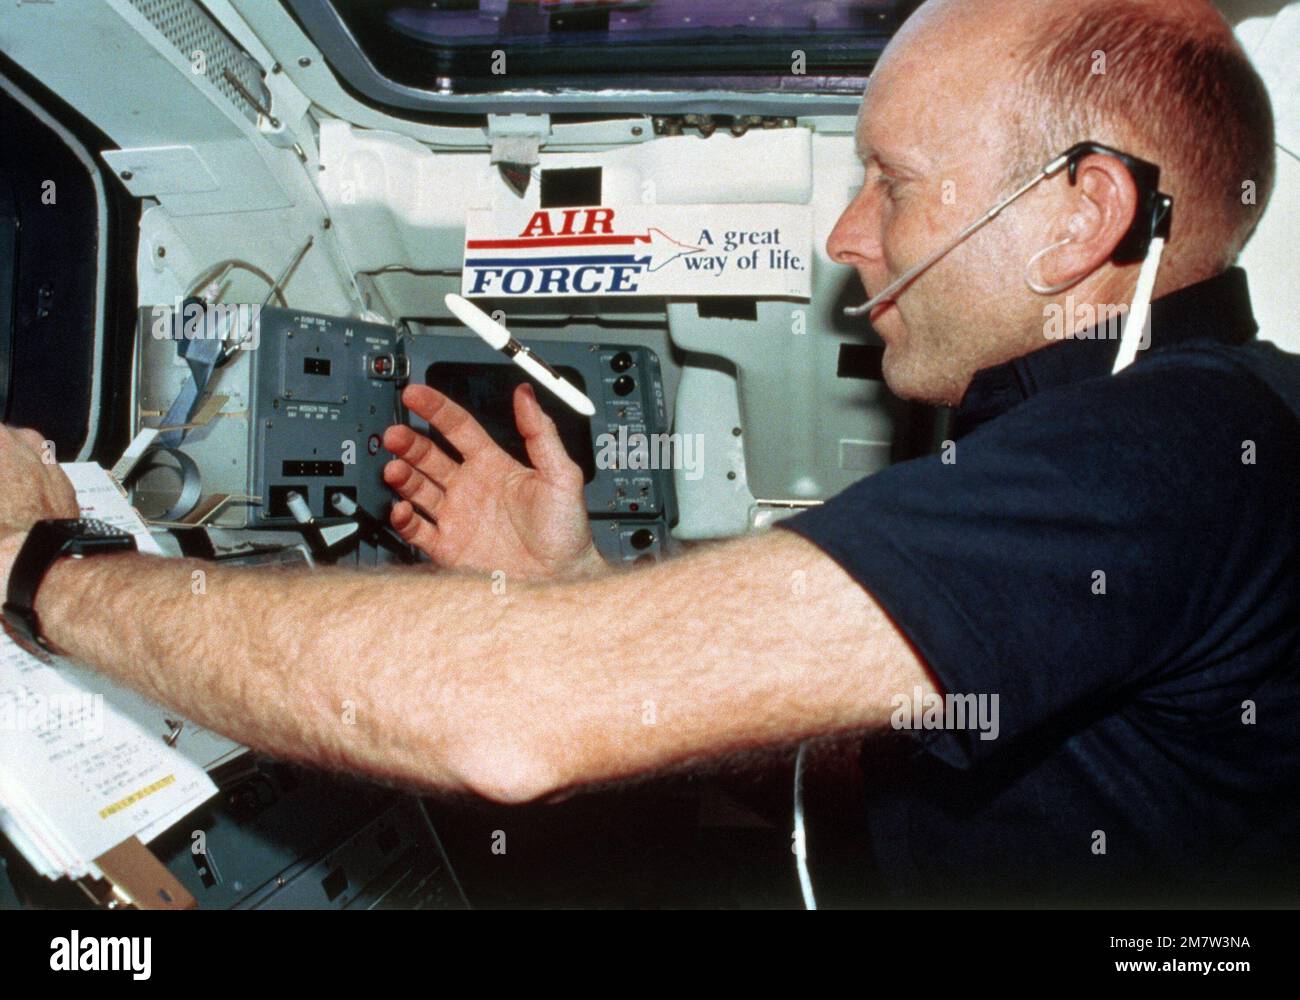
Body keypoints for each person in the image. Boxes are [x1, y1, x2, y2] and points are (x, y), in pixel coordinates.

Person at [1, 0, 1296, 903]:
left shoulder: (1170, 448)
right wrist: (574, 596)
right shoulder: (1147, 443)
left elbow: (507, 723)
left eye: (891, 181)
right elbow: (928, 720)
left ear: (1082, 212)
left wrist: (44, 566)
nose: (848, 236)